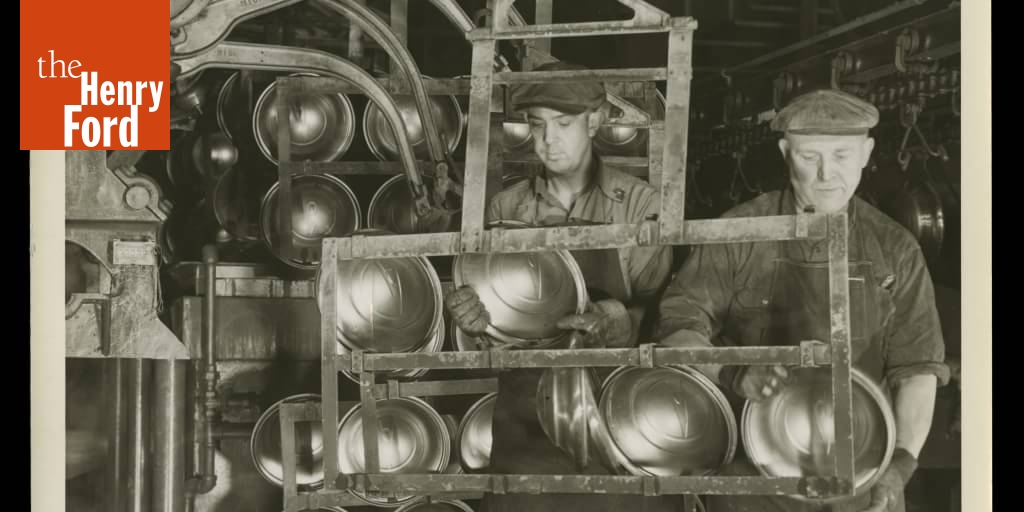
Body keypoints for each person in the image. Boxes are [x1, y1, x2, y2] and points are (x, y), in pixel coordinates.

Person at [657, 89, 949, 512]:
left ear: (867, 153)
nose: (827, 174)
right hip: (752, 469)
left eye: (843, 156)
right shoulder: (738, 233)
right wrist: (734, 370)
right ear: (785, 152)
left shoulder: (895, 248)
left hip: (860, 465)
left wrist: (899, 462)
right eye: (810, 157)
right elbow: (676, 329)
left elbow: (917, 367)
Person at [445, 61, 677, 512]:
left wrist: (621, 323)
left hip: (614, 409)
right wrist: (472, 321)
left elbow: (666, 310)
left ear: (595, 121)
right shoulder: (505, 207)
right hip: (524, 416)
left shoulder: (640, 205)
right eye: (537, 126)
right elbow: (492, 326)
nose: (548, 140)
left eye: (563, 124)